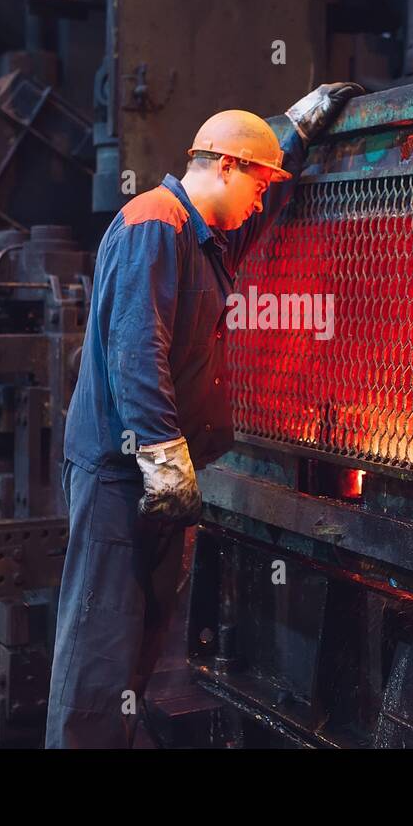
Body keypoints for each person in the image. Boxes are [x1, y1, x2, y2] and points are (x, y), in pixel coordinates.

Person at [46, 83, 361, 748]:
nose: (260, 197)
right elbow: (136, 354)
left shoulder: (207, 239)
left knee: (138, 639)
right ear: (224, 166)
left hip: (155, 475)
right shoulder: (152, 226)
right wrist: (163, 463)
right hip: (119, 475)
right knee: (101, 645)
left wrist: (296, 133)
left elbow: (265, 204)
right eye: (258, 180)